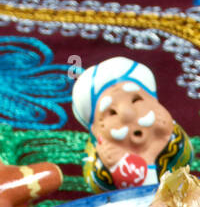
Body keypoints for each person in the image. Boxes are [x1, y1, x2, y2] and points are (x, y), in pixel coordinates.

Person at [71, 57, 193, 191]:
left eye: (136, 100)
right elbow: (94, 183)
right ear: (96, 130)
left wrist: (164, 140)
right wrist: (112, 166)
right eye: (111, 112)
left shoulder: (173, 138)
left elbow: (185, 160)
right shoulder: (98, 156)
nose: (128, 114)